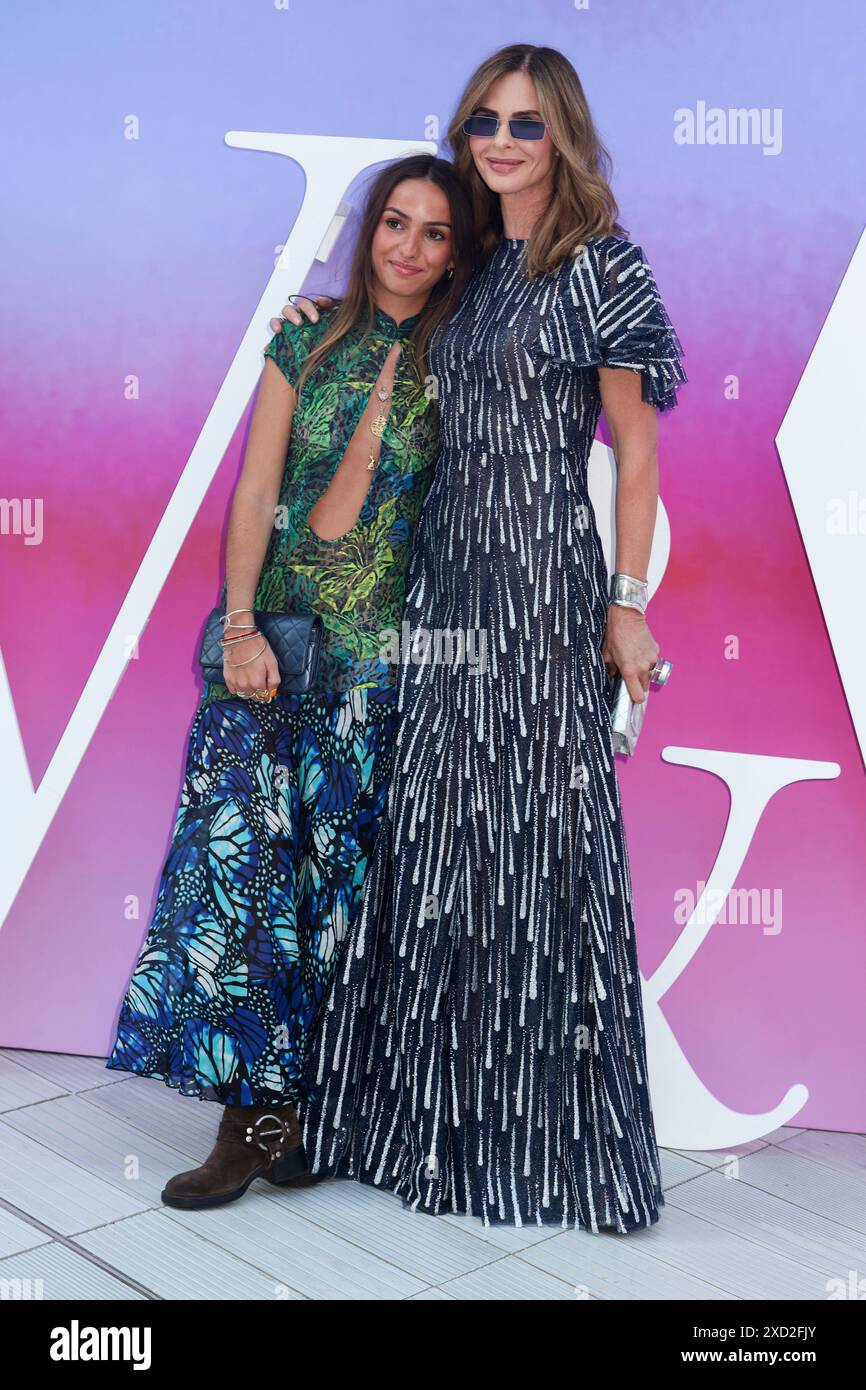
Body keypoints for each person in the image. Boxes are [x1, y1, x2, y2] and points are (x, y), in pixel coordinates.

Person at [280, 45, 688, 1232]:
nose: (498, 141)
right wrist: (322, 316)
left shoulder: (601, 268)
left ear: (558, 130)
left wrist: (624, 599)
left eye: (521, 121)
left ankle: (537, 1140)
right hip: (441, 585)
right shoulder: (476, 273)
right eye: (480, 122)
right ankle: (414, 1124)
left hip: (542, 593)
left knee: (533, 851)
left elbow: (637, 450)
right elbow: (395, 331)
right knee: (433, 835)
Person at [104, 154, 475, 1209]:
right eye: (393, 223)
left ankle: (301, 1117)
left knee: (334, 898)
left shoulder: (463, 363)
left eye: (434, 232)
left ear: (458, 251)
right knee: (237, 886)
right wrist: (236, 626)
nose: (406, 246)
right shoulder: (303, 338)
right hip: (268, 651)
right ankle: (243, 1123)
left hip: (377, 673)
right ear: (368, 232)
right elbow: (257, 484)